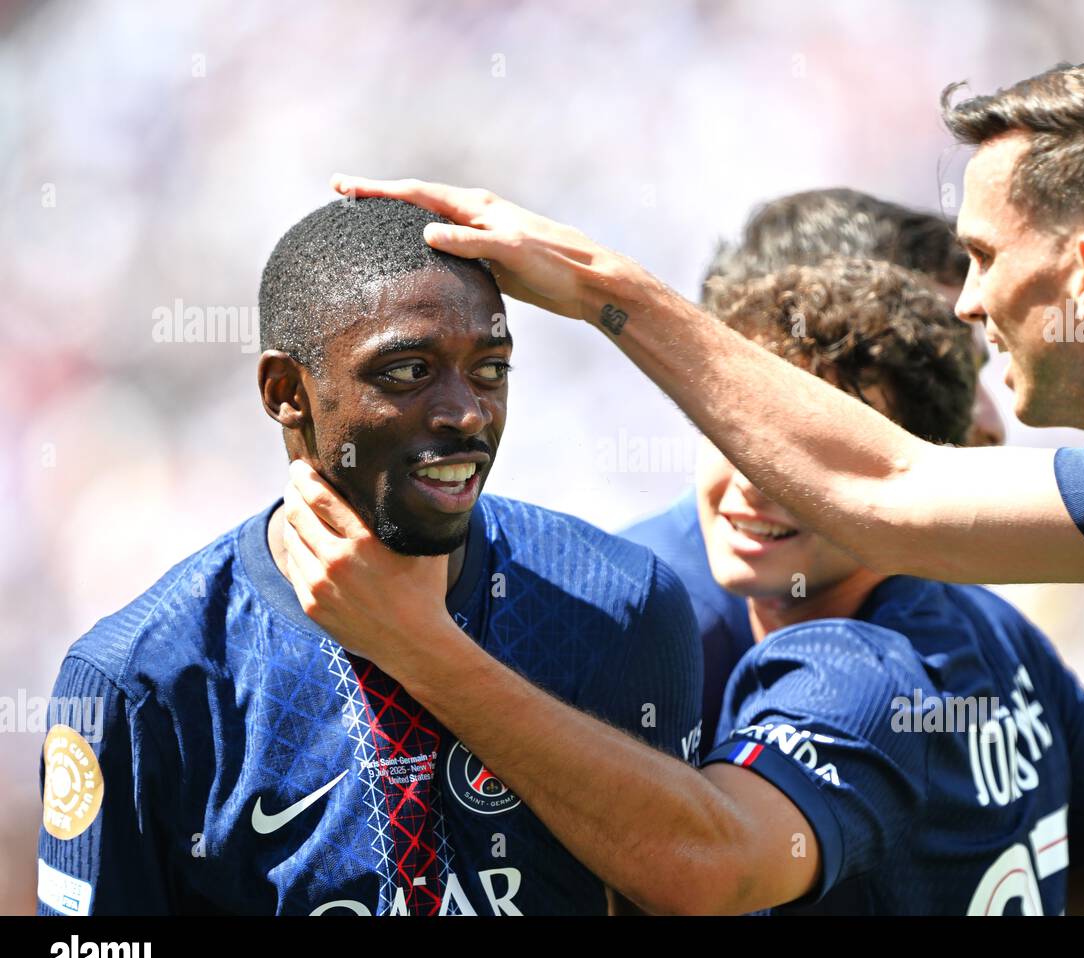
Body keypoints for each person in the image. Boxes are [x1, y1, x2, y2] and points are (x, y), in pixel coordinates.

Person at [332, 56, 1084, 915]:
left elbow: (715, 865)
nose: (966, 302)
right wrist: (600, 289)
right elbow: (889, 485)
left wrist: (422, 648)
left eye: (983, 257)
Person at [281, 255, 1084, 914]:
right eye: (733, 445)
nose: (750, 486)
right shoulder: (999, 639)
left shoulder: (856, 670)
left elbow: (715, 862)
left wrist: (419, 644)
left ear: (894, 480)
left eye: (799, 468)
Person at [35, 196, 702, 917]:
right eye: (409, 370)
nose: (466, 412)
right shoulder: (139, 680)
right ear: (286, 392)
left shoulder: (621, 604)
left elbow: (701, 889)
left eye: (490, 368)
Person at [624, 188, 1005, 744]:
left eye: (968, 367)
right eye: (948, 371)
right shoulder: (637, 625)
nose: (991, 424)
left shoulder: (972, 619)